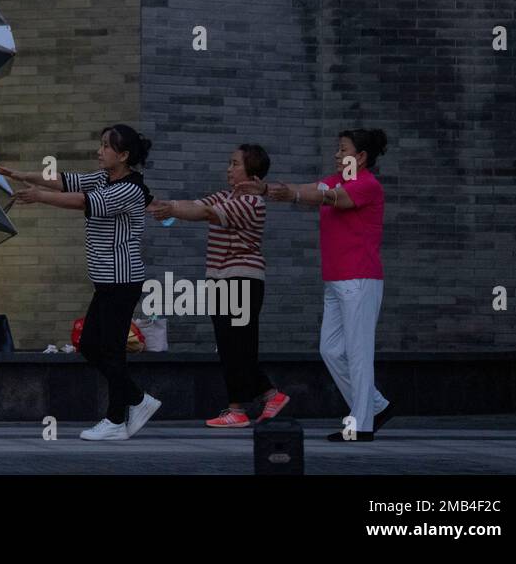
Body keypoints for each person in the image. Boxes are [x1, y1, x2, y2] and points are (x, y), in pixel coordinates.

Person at [1, 124, 161, 441]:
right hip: (106, 282)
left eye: (105, 146)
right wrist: (21, 175)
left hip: (122, 280)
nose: (99, 151)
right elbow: (63, 181)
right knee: (89, 344)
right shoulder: (104, 178)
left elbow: (82, 202)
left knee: (112, 350)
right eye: (100, 144)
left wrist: (40, 198)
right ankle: (137, 400)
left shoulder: (131, 189)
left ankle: (118, 419)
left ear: (124, 155)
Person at [239, 128, 392, 442]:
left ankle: (360, 425)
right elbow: (310, 189)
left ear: (360, 157)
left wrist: (293, 194)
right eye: (337, 150)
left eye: (343, 149)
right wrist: (270, 190)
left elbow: (332, 199)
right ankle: (375, 405)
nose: (337, 155)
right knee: (331, 350)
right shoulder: (336, 179)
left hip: (360, 279)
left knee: (358, 354)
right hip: (336, 281)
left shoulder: (367, 185)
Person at [149, 144, 290, 428]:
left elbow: (206, 214)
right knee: (230, 346)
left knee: (238, 346)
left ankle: (240, 408)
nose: (228, 168)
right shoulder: (225, 196)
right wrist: (165, 206)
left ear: (252, 174)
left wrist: (172, 209)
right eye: (229, 163)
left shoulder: (251, 204)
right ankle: (263, 398)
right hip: (221, 279)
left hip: (242, 279)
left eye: (235, 164)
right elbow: (197, 205)